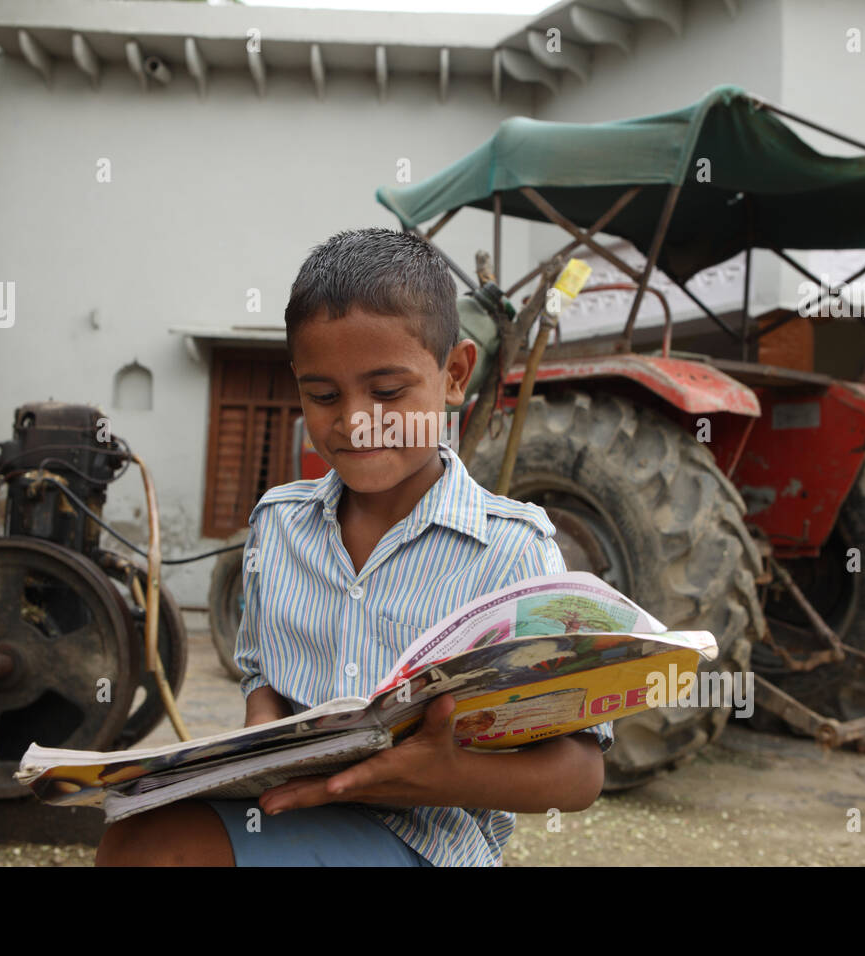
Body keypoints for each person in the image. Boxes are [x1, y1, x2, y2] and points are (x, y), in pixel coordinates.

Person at [95, 227, 612, 867]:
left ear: (454, 375)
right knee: (130, 837)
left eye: (388, 392)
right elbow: (264, 674)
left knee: (166, 851)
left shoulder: (513, 552)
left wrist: (437, 774)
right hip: (292, 808)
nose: (354, 420)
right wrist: (260, 741)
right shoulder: (279, 528)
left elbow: (580, 772)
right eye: (323, 395)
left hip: (428, 842)